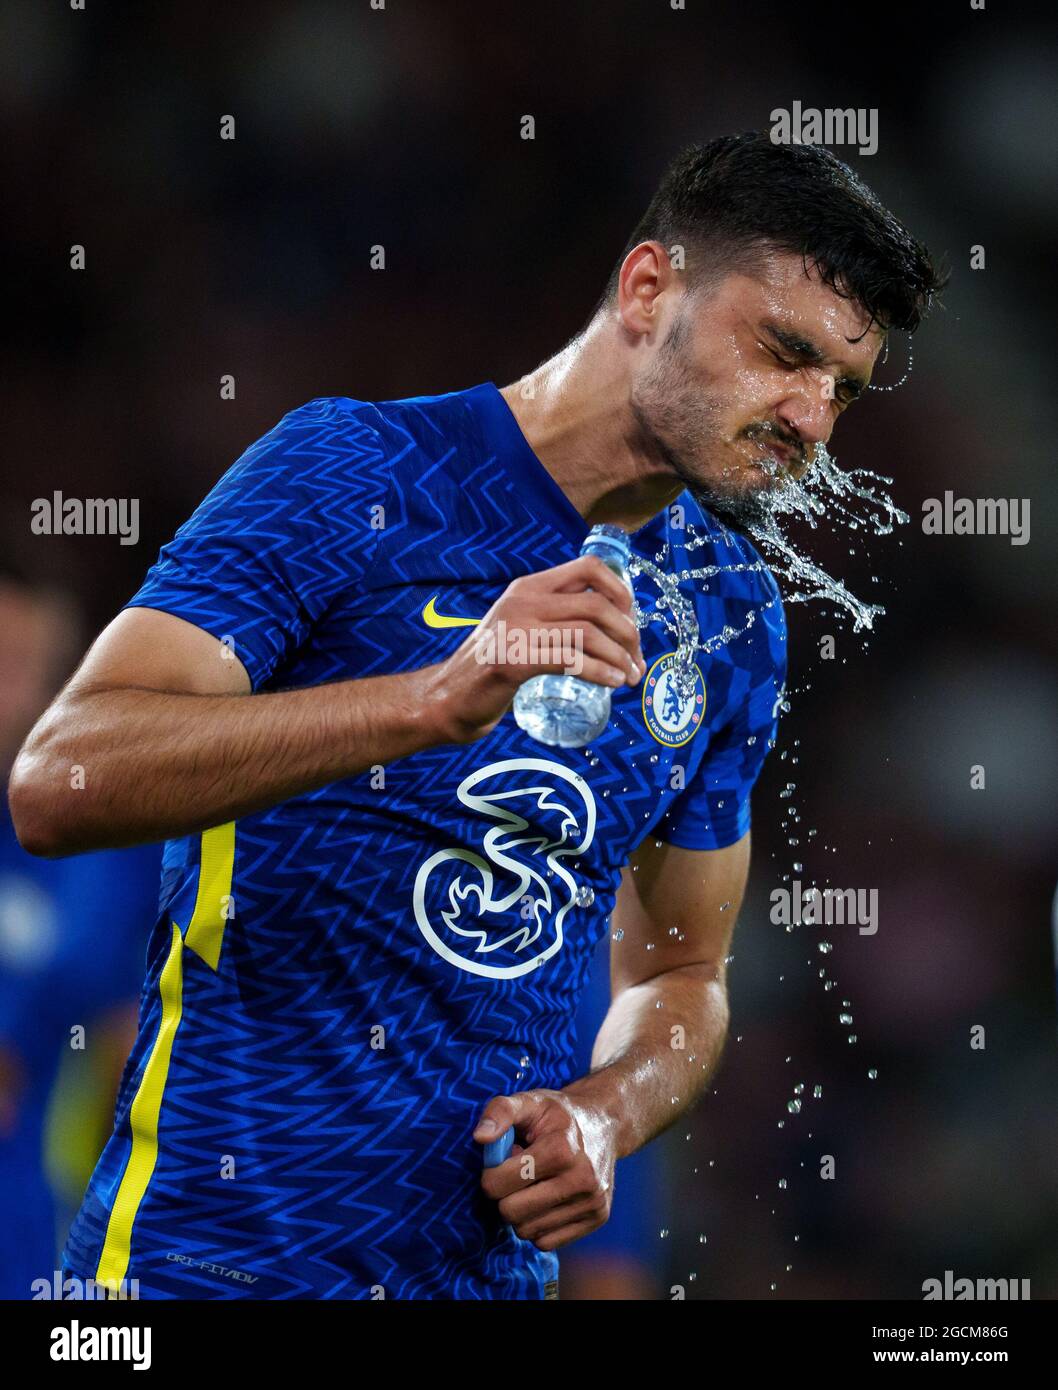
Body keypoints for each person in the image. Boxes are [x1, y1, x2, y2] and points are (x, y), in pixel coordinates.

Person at [9, 133, 943, 1299]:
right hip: (199, 1272)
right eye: (783, 352)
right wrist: (427, 701)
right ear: (648, 288)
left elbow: (680, 974)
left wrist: (606, 1114)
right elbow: (60, 783)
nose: (809, 420)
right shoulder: (352, 471)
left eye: (839, 390)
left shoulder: (730, 616)